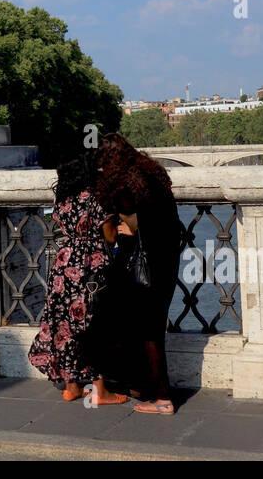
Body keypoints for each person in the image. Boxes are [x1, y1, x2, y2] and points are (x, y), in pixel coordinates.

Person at [86, 133, 184, 415]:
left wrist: (121, 226)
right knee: (147, 326)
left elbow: (131, 223)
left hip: (145, 264)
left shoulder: (125, 185)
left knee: (146, 330)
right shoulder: (150, 174)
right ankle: (143, 386)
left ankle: (163, 398)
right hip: (166, 259)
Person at [28, 151, 129, 405]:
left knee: (64, 325)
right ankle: (100, 390)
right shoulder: (97, 198)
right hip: (91, 265)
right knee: (95, 326)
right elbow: (109, 238)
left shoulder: (61, 199)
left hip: (64, 262)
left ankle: (71, 386)